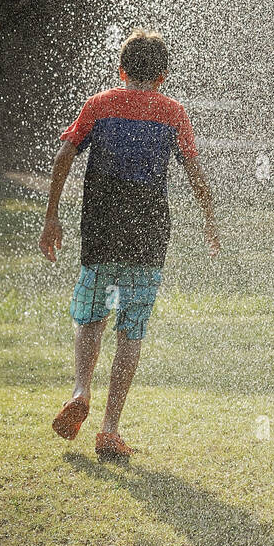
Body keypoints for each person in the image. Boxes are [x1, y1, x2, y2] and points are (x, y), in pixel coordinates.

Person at [39, 28, 220, 463]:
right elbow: (195, 173)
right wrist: (210, 219)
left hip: (101, 226)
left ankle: (81, 390)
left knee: (90, 315)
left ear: (121, 70)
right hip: (148, 231)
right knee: (130, 328)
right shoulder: (173, 112)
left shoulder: (98, 106)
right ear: (162, 75)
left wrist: (51, 217)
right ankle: (110, 430)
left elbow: (64, 156)